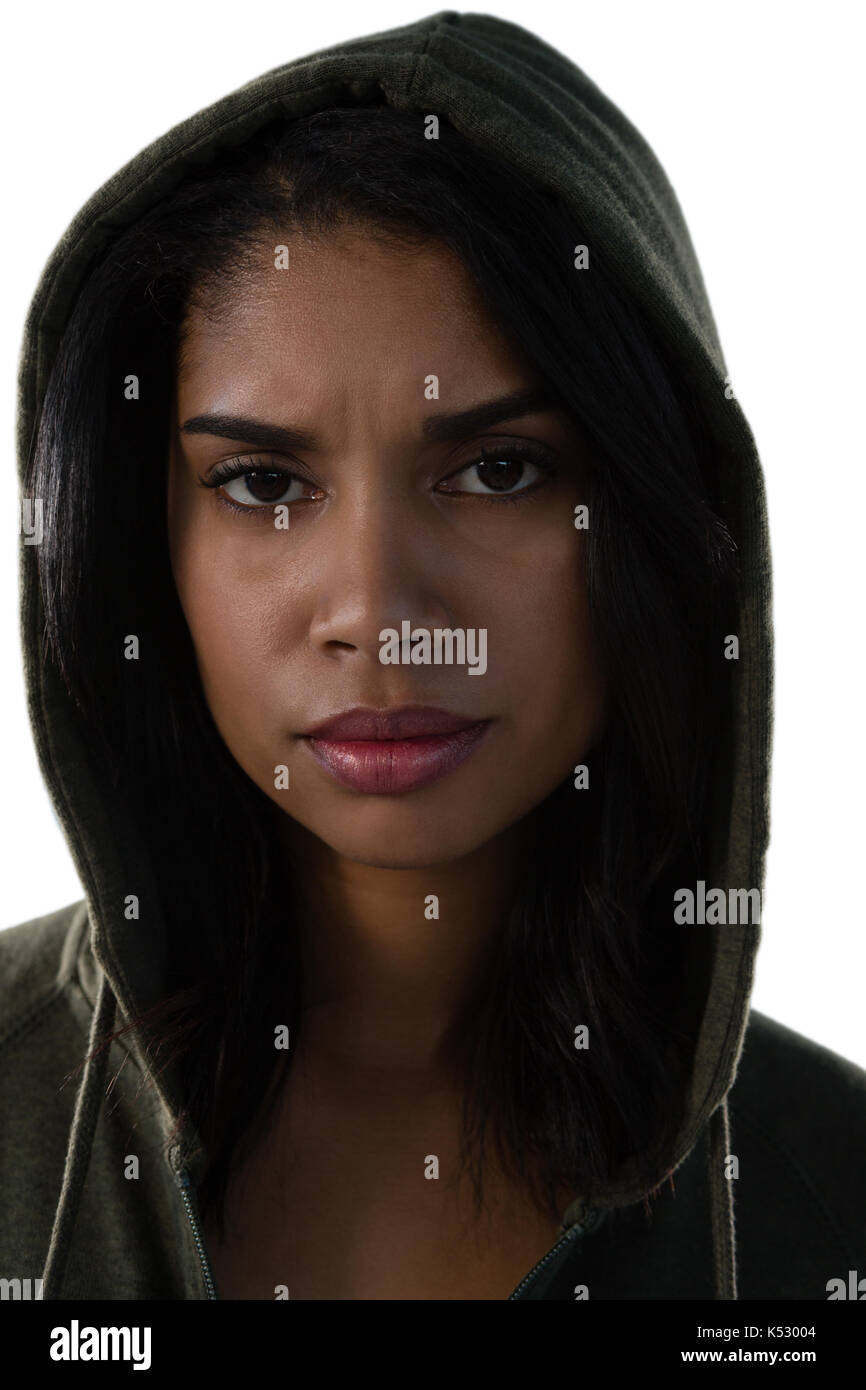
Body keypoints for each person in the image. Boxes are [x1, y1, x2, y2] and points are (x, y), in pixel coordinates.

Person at [2, 11, 863, 1302]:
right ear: (143, 540)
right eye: (260, 481)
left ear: (660, 523)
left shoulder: (833, 1199)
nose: (375, 608)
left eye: (498, 469)